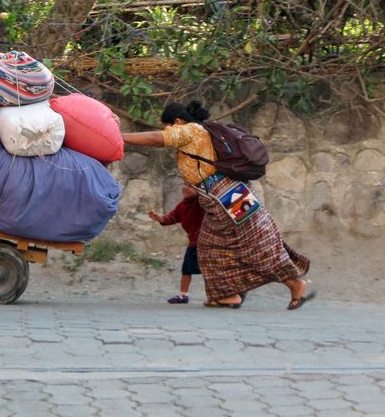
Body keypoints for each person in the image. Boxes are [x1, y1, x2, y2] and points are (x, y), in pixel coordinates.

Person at [123, 100, 315, 310]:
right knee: (210, 247)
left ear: (177, 121)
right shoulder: (199, 132)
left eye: (167, 126)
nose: (167, 130)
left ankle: (295, 283)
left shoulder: (189, 131)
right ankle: (227, 295)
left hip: (228, 195)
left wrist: (118, 137)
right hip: (223, 196)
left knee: (256, 244)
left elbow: (155, 139)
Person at [149, 185, 204, 304]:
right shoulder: (182, 206)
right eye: (184, 185)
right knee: (186, 269)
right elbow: (169, 218)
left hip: (208, 242)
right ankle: (183, 296)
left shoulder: (203, 202)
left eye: (190, 186)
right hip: (193, 242)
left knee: (210, 270)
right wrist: (159, 218)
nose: (185, 188)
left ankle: (216, 295)